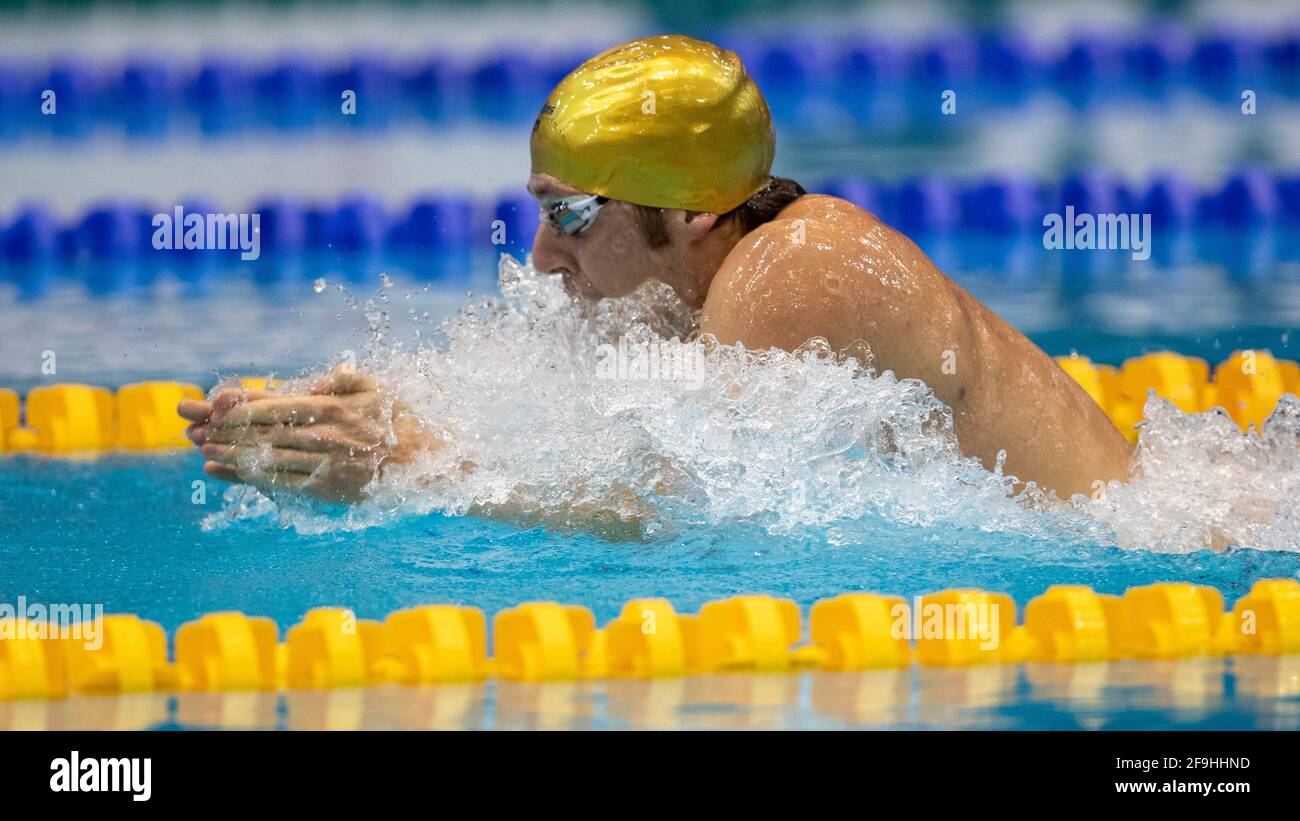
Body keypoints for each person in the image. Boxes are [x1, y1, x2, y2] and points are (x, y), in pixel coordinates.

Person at [180, 34, 1132, 505]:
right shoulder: (690, 296)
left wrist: (409, 464)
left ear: (692, 214)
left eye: (572, 216)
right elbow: (570, 435)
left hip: (1142, 565)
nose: (543, 257)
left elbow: (678, 508)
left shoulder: (795, 266)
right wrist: (369, 417)